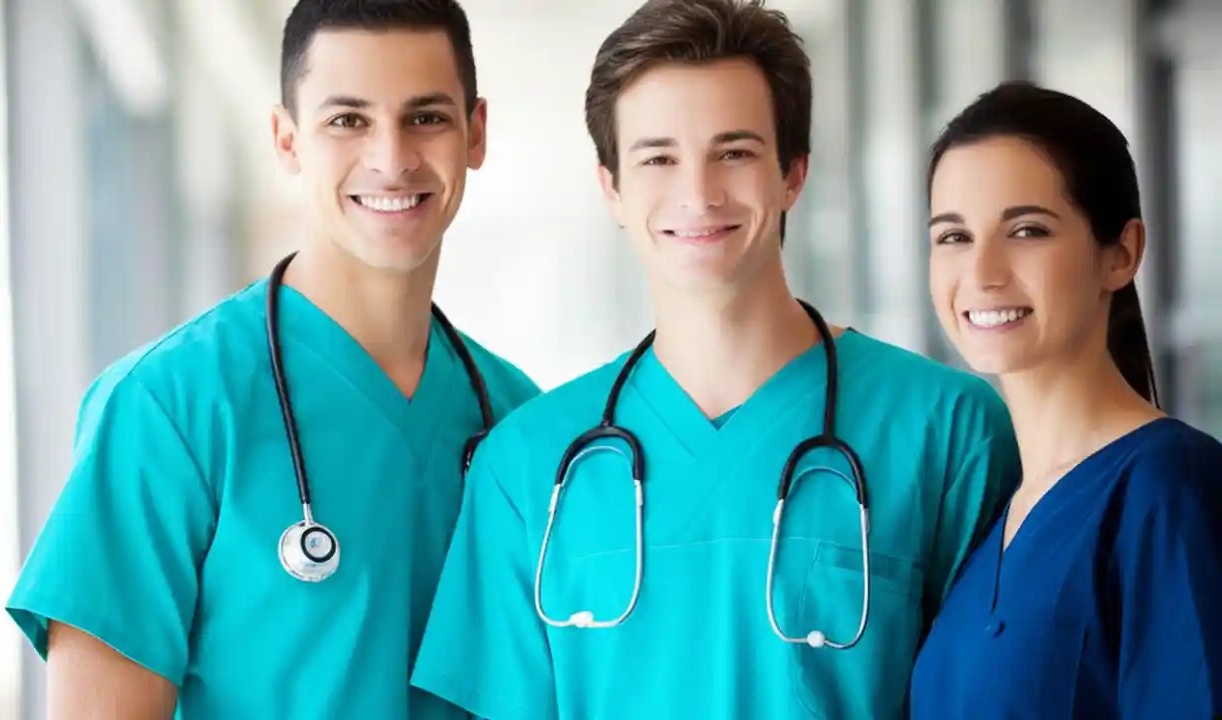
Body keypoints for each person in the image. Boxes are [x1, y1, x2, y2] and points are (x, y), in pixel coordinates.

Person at [409, 1, 1019, 717]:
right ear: (612, 187)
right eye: (658, 158)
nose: (697, 194)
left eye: (734, 153)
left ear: (793, 173)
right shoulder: (526, 464)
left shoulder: (946, 430)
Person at [5, 1, 540, 717]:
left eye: (427, 117)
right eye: (347, 120)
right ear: (287, 140)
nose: (391, 157)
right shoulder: (169, 409)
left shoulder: (518, 420)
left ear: (475, 133)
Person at [910, 81, 1222, 719]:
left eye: (1026, 230)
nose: (983, 273)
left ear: (1121, 254)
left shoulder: (1168, 489)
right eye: (953, 237)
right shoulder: (999, 514)